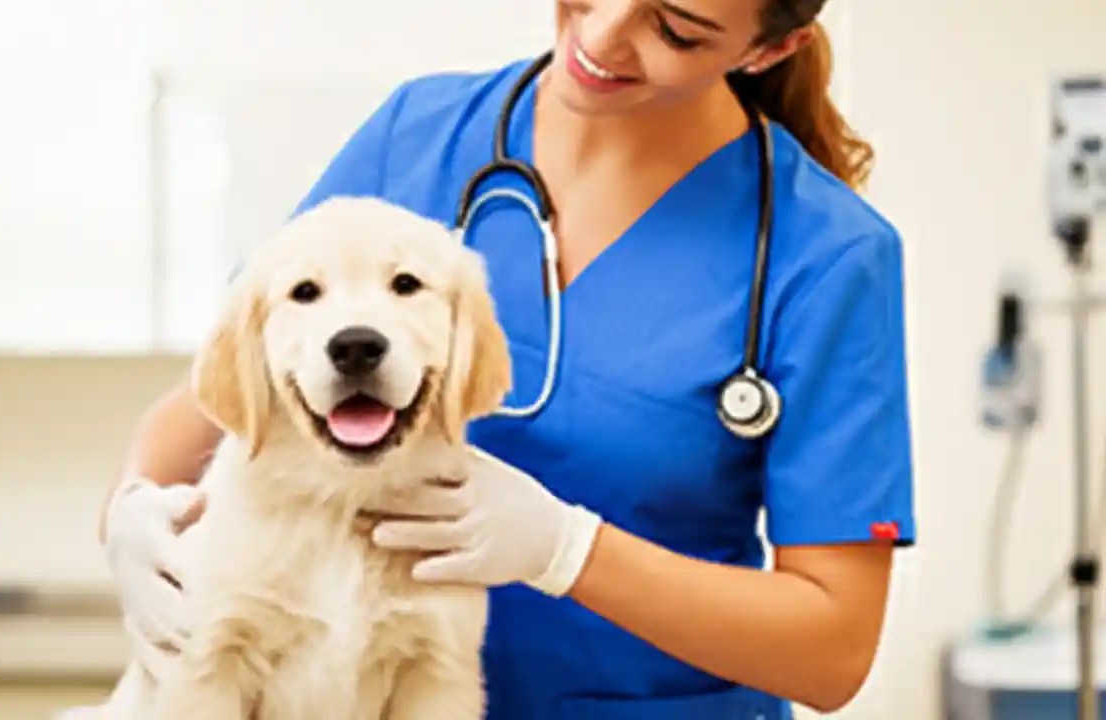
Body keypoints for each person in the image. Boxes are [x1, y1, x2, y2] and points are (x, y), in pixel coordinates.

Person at [97, 1, 916, 717]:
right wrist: (134, 520)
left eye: (673, 27)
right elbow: (214, 407)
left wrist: (566, 550)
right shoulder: (416, 138)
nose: (601, 33)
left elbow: (831, 651)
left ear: (766, 50)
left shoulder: (828, 257)